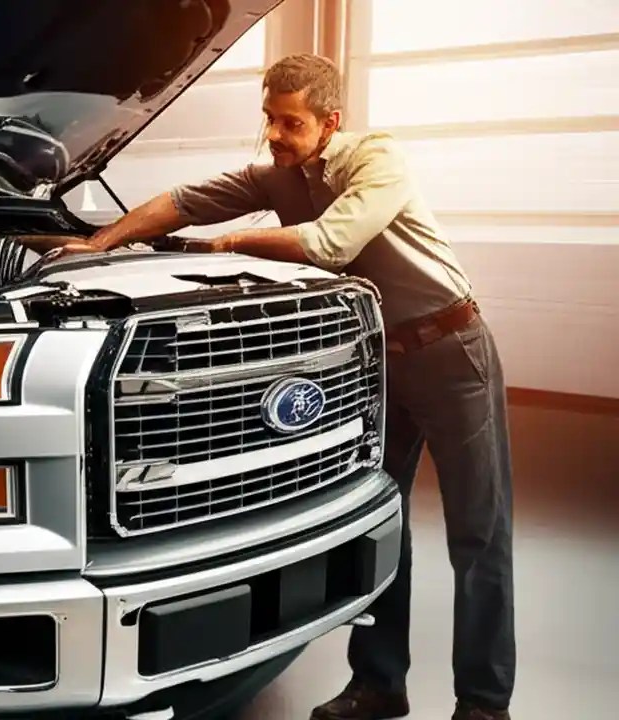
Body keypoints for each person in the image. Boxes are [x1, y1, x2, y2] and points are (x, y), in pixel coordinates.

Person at [45, 54, 516, 720]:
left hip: (451, 349)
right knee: (385, 516)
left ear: (331, 121)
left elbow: (332, 242)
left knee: (479, 534)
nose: (274, 132)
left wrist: (229, 244)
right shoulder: (282, 173)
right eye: (268, 116)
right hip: (381, 357)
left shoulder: (376, 159)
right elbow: (183, 201)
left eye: (290, 121)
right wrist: (100, 243)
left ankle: (484, 703)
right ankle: (380, 685)